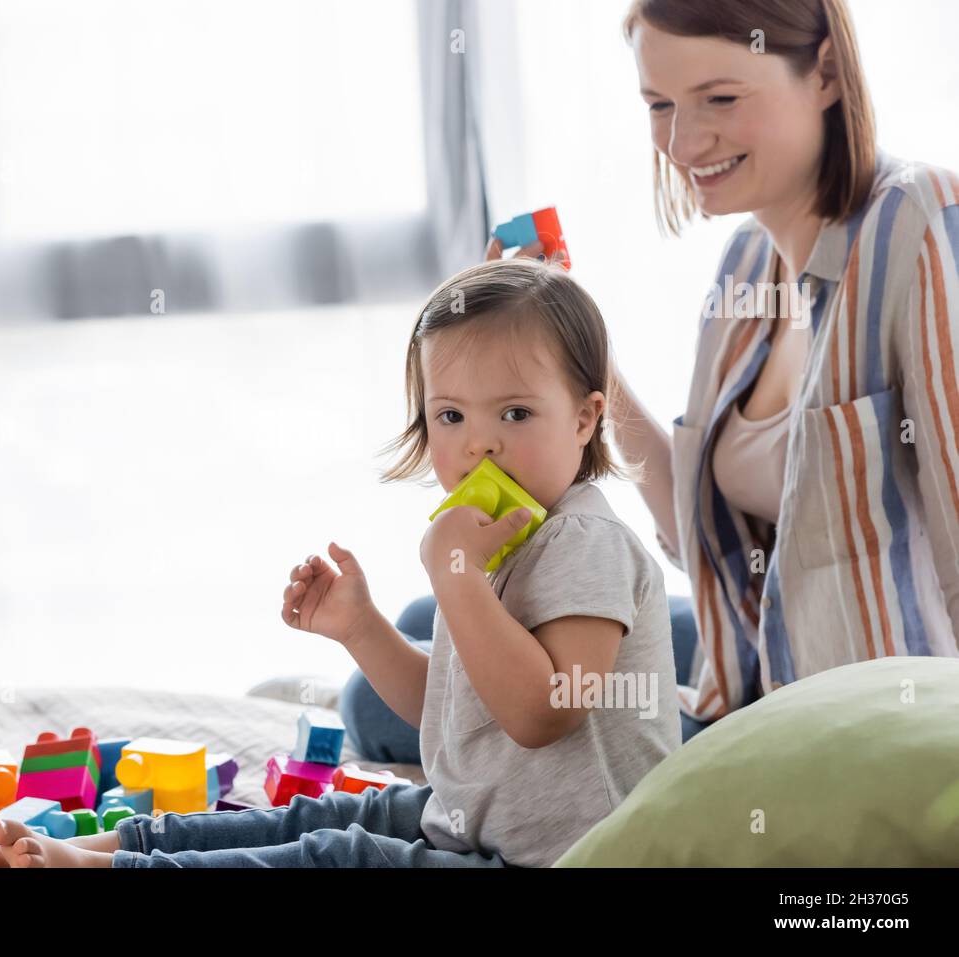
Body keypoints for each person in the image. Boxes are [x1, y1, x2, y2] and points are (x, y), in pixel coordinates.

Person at [343, 0, 959, 758]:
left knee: (407, 692)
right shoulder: (745, 267)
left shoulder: (919, 219)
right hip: (740, 657)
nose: (684, 141)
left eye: (721, 98)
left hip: (838, 711)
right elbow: (701, 528)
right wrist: (567, 347)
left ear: (826, 71)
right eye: (660, 105)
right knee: (411, 629)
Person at [0, 256, 679, 867]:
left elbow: (539, 712)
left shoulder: (587, 542)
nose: (478, 445)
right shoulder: (493, 540)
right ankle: (116, 846)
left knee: (341, 855)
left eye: (515, 414)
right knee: (328, 812)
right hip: (480, 824)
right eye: (451, 416)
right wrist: (362, 629)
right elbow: (460, 706)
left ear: (584, 418)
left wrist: (450, 569)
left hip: (561, 858)